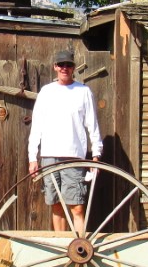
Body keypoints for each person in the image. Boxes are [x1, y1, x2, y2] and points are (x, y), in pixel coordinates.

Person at [27, 49, 103, 233]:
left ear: (74, 68)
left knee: (76, 206)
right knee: (56, 205)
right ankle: (62, 249)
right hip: (49, 156)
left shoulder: (83, 91)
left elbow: (92, 125)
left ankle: (80, 247)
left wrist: (96, 154)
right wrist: (32, 157)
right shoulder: (46, 92)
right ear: (55, 67)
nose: (64, 68)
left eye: (68, 65)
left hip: (73, 157)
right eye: (61, 65)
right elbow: (37, 125)